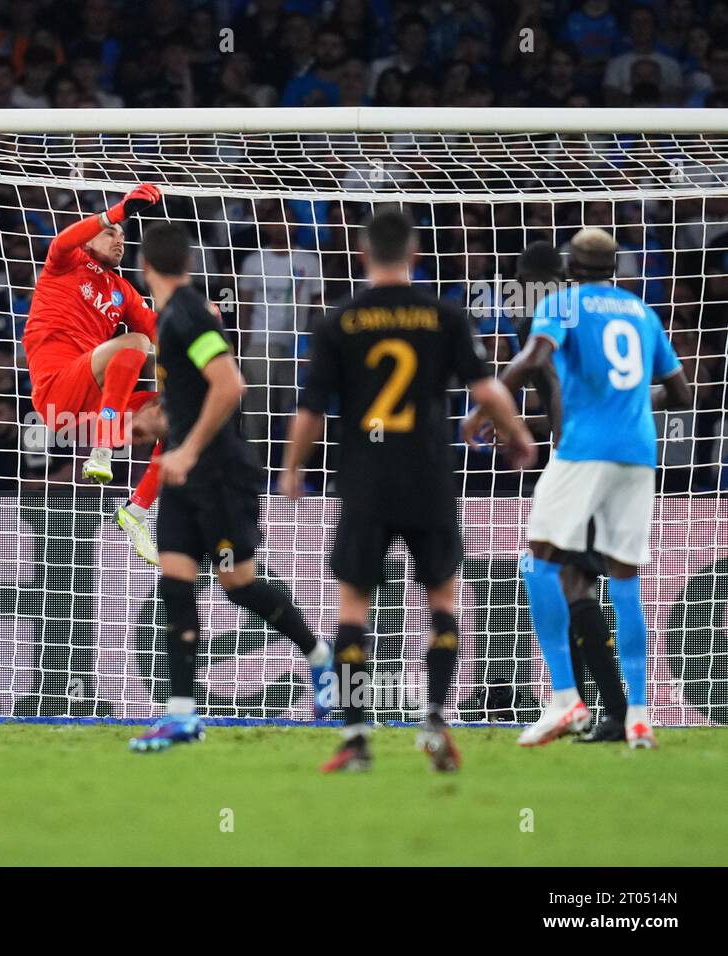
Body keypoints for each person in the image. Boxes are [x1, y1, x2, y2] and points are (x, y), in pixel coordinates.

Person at [282, 209, 534, 773]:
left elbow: (311, 409)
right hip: (427, 478)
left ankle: (355, 739)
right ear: (415, 255)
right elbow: (486, 387)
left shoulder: (339, 321)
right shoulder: (441, 315)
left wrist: (292, 469)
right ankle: (436, 722)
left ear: (365, 255)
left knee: (353, 610)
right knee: (441, 602)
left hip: (365, 483)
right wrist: (517, 436)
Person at [467, 229, 692, 749]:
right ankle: (629, 713)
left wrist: (496, 415)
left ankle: (575, 701)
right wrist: (628, 402)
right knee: (612, 579)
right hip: (635, 454)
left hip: (580, 458)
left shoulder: (556, 313)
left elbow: (540, 376)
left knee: (554, 572)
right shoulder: (641, 312)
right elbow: (681, 393)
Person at [127, 222, 332, 754]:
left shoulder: (189, 312)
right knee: (176, 581)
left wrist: (189, 448)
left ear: (145, 266)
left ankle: (319, 657)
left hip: (218, 470)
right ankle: (182, 715)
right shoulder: (172, 317)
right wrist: (151, 427)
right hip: (184, 470)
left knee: (237, 585)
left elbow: (230, 383)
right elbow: (197, 398)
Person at [509, 241, 630, 743]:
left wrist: (561, 448)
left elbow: (557, 387)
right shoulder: (595, 318)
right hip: (617, 453)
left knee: (556, 575)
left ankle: (611, 711)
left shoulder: (540, 321)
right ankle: (583, 707)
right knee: (568, 576)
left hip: (578, 459)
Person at [22, 182, 164, 565]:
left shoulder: (123, 291)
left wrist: (198, 322)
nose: (119, 241)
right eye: (110, 234)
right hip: (56, 396)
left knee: (184, 411)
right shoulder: (64, 262)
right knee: (134, 343)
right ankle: (101, 451)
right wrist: (115, 212)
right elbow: (63, 240)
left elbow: (160, 331)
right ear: (90, 238)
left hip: (91, 407)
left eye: (123, 237)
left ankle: (137, 510)